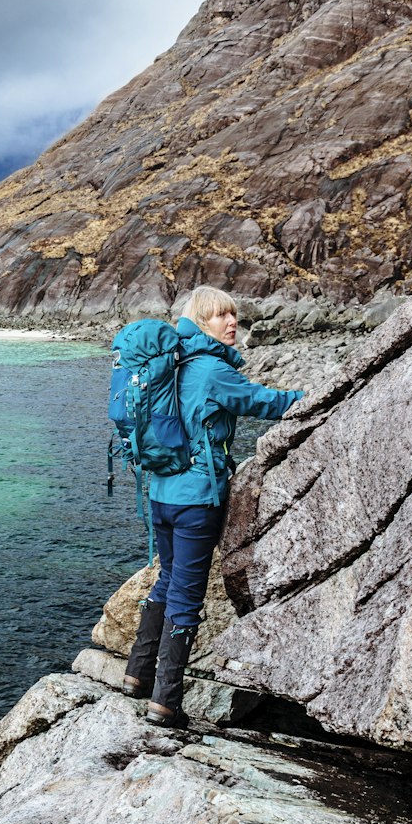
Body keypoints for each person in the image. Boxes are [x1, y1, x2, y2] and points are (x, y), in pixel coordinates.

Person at [123, 286, 303, 727]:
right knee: (186, 593)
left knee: (167, 580)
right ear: (201, 322)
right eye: (220, 315)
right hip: (196, 499)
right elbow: (264, 401)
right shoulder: (210, 370)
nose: (231, 322)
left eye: (233, 314)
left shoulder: (174, 365)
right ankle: (166, 702)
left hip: (162, 493)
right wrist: (311, 396)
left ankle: (135, 676)